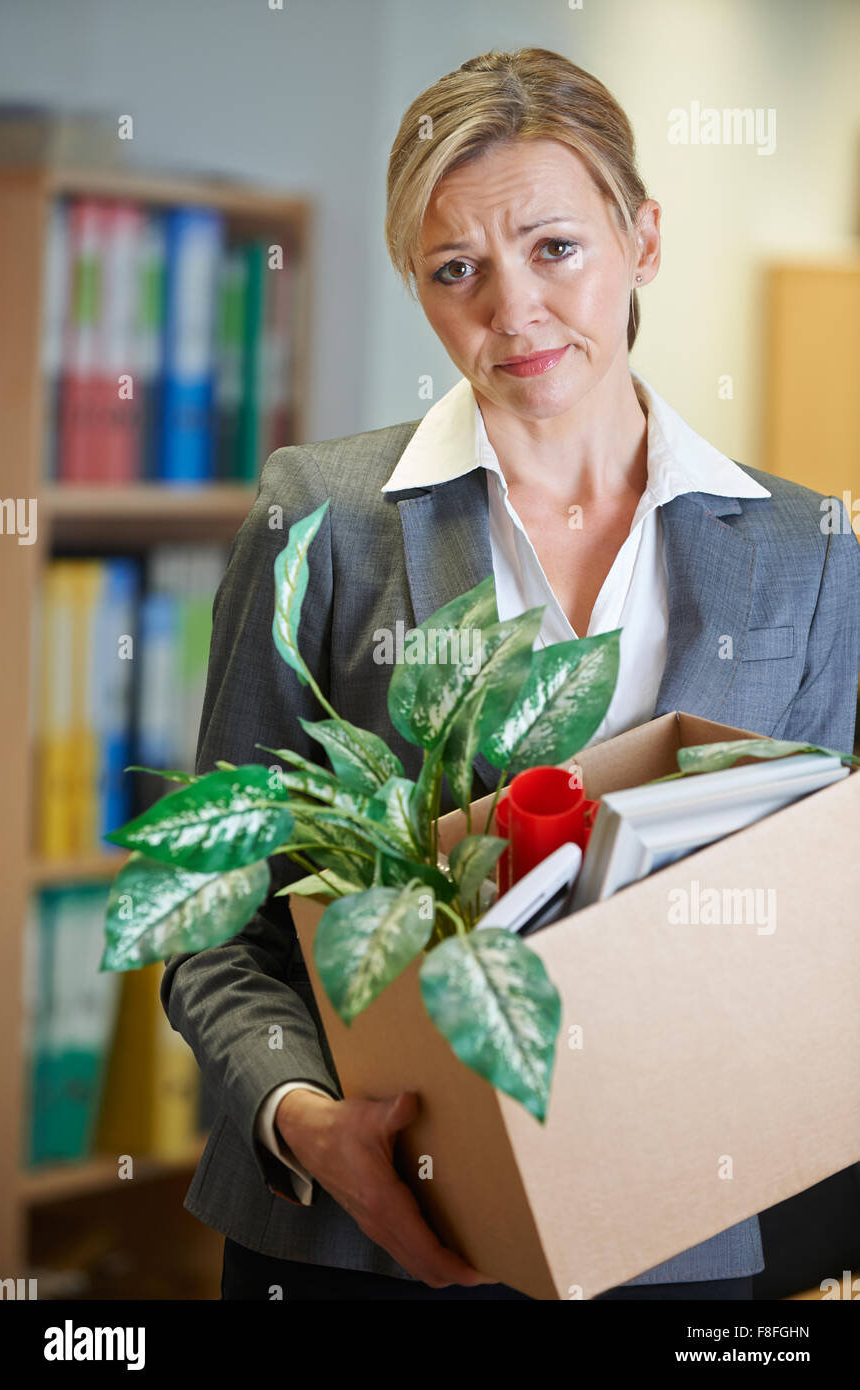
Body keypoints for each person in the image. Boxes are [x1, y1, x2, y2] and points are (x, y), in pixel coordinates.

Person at [161, 46, 860, 1301]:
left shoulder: (806, 553)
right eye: (454, 270)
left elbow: (811, 917)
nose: (513, 311)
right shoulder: (320, 520)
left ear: (641, 238)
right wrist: (303, 1118)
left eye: (553, 248)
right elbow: (210, 913)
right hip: (349, 1237)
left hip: (670, 1239)